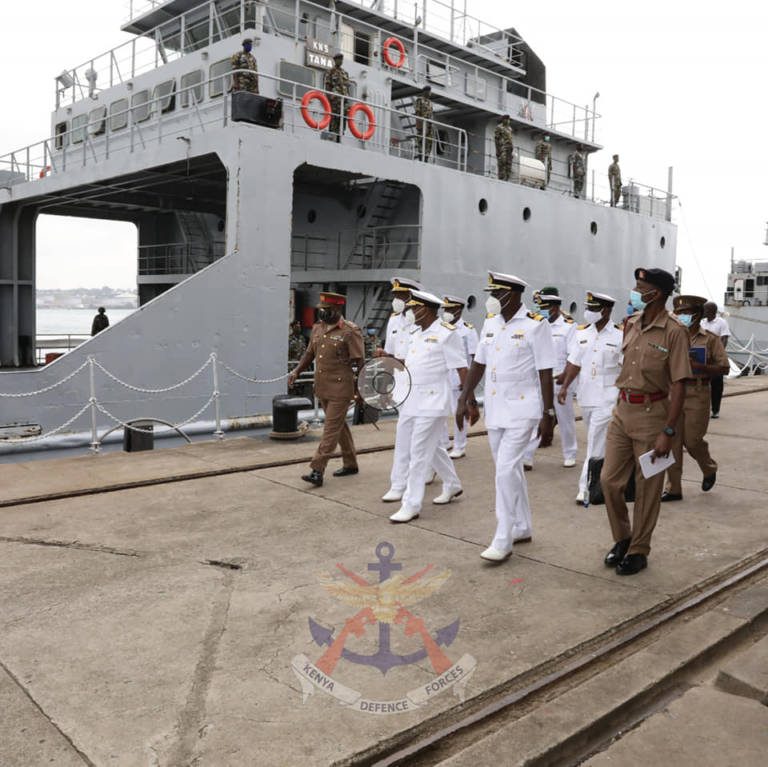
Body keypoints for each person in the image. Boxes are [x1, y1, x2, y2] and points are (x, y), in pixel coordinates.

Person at [456, 271, 555, 563]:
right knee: (507, 470)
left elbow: (546, 371)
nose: (491, 299)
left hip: (524, 410)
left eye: (496, 294)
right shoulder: (490, 323)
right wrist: (464, 397)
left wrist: (548, 414)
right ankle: (522, 526)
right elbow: (479, 363)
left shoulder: (537, 326)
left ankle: (503, 538)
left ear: (511, 295)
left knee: (504, 471)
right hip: (497, 409)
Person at [600, 268, 691, 575]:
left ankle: (639, 549)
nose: (635, 291)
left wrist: (669, 430)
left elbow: (679, 384)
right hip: (622, 411)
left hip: (654, 416)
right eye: (636, 285)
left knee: (647, 488)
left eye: (642, 287)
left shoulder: (674, 331)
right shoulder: (631, 323)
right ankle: (623, 538)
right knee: (608, 482)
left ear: (659, 293)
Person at [387, 289, 467, 523]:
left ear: (426, 310)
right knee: (432, 447)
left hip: (433, 401)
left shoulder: (446, 334)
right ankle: (452, 484)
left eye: (413, 308)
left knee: (419, 452)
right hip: (412, 399)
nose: (410, 312)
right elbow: (412, 363)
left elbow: (462, 368)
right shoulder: (415, 332)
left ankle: (411, 504)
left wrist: (467, 401)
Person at [288, 292, 364, 487]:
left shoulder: (350, 331)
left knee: (330, 429)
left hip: (341, 388)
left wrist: (361, 390)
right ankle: (351, 463)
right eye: (322, 309)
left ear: (337, 309)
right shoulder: (317, 328)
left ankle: (317, 470)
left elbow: (359, 362)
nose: (323, 313)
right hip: (322, 386)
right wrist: (296, 371)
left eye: (327, 310)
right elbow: (309, 353)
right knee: (339, 427)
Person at [557, 291, 623, 504]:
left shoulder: (620, 335)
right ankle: (608, 478)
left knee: (595, 440)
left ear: (606, 310)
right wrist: (565, 386)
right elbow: (574, 362)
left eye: (594, 309)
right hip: (586, 395)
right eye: (589, 308)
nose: (589, 312)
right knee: (599, 441)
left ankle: (585, 488)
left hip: (609, 396)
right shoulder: (581, 333)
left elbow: (625, 367)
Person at [662, 295, 730, 502]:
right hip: (673, 392)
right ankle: (673, 488)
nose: (682, 317)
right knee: (671, 442)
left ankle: (709, 468)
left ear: (698, 316)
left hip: (697, 393)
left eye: (687, 313)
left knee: (692, 441)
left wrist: (702, 367)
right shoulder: (670, 336)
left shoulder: (710, 339)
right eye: (679, 313)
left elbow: (724, 367)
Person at [523, 287, 577, 469]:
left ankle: (570, 453)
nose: (541, 310)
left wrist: (566, 378)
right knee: (534, 416)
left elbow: (573, 355)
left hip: (559, 379)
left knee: (565, 419)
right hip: (538, 379)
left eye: (544, 307)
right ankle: (528, 456)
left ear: (554, 308)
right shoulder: (536, 326)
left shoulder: (568, 327)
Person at [441, 294, 479, 459]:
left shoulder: (468, 330)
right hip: (442, 376)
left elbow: (474, 356)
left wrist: (469, 383)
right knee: (439, 412)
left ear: (459, 310)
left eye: (451, 309)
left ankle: (459, 446)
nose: (447, 312)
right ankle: (443, 442)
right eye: (446, 309)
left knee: (460, 412)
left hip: (460, 377)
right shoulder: (440, 328)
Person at [700, 301, 730, 419]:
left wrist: (718, 355)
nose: (704, 312)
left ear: (712, 311)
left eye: (705, 310)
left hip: (715, 358)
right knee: (702, 384)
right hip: (703, 357)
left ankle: (715, 409)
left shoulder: (721, 322)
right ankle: (703, 408)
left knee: (716, 385)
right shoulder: (701, 323)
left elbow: (724, 338)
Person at [324, 53, 350, 142]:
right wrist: (329, 97)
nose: (341, 61)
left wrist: (348, 98)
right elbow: (328, 86)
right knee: (333, 119)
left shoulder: (345, 73)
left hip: (344, 101)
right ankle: (332, 136)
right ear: (335, 60)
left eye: (342, 59)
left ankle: (340, 137)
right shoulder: (330, 71)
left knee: (342, 119)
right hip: (335, 100)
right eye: (339, 59)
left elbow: (347, 87)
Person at [414, 86, 434, 162]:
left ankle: (426, 156)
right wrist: (418, 123)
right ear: (425, 91)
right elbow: (418, 112)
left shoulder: (430, 102)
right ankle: (420, 155)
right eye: (429, 91)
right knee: (421, 140)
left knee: (429, 141)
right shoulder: (420, 100)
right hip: (422, 123)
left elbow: (431, 114)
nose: (430, 93)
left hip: (429, 124)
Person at [494, 116, 515, 181]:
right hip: (502, 147)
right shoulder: (499, 127)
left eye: (509, 120)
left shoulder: (510, 128)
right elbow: (496, 139)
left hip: (509, 148)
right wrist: (497, 150)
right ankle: (501, 177)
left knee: (509, 163)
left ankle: (507, 177)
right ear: (503, 120)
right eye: (506, 119)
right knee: (502, 162)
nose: (508, 121)